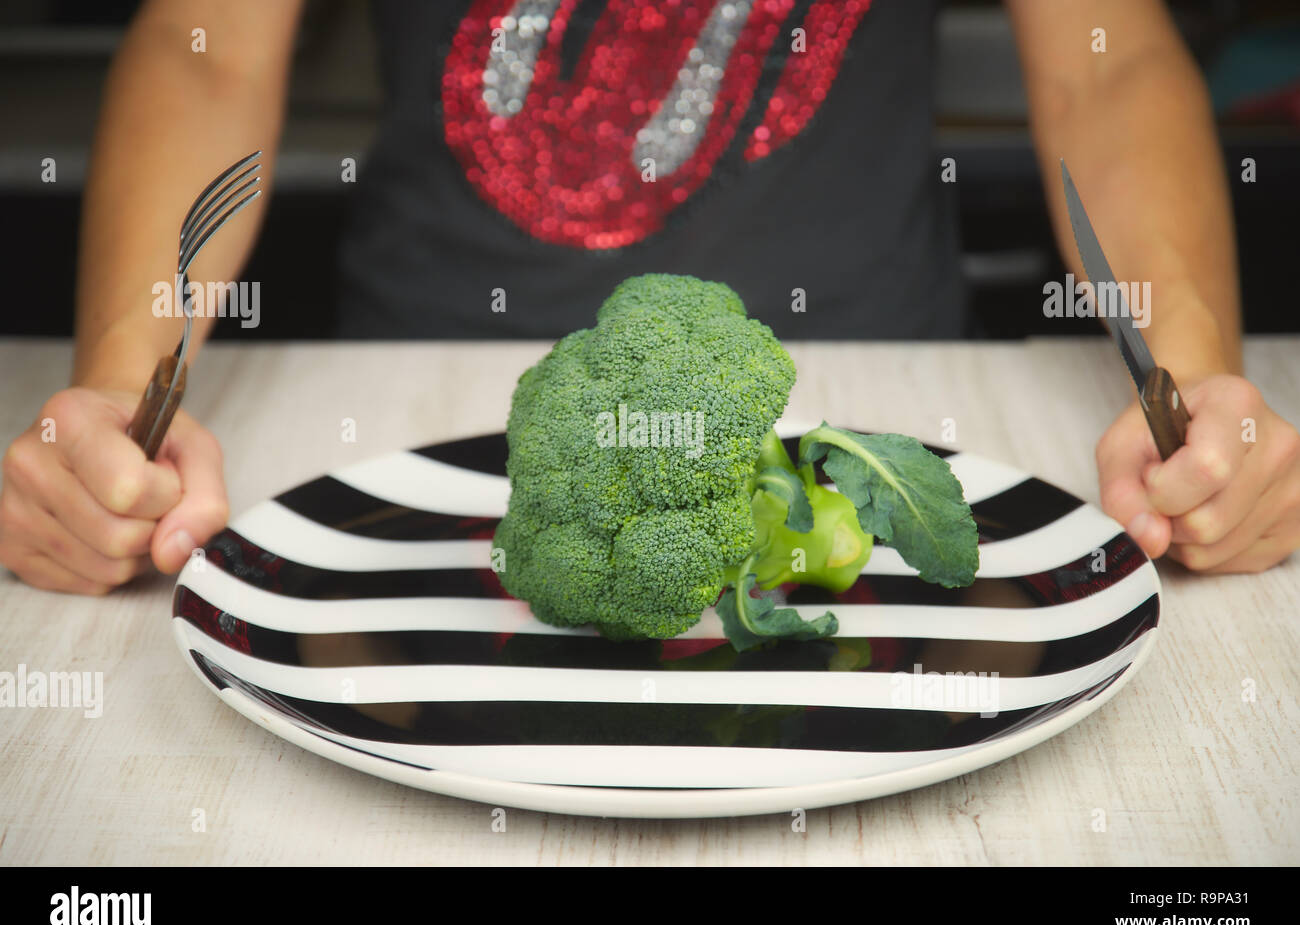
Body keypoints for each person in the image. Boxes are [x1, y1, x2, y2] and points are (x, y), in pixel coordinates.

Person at [1, 0, 1297, 595]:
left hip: (882, 413)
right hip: (411, 416)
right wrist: (124, 391)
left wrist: (1187, 391)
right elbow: (209, 49)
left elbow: (1108, 60)